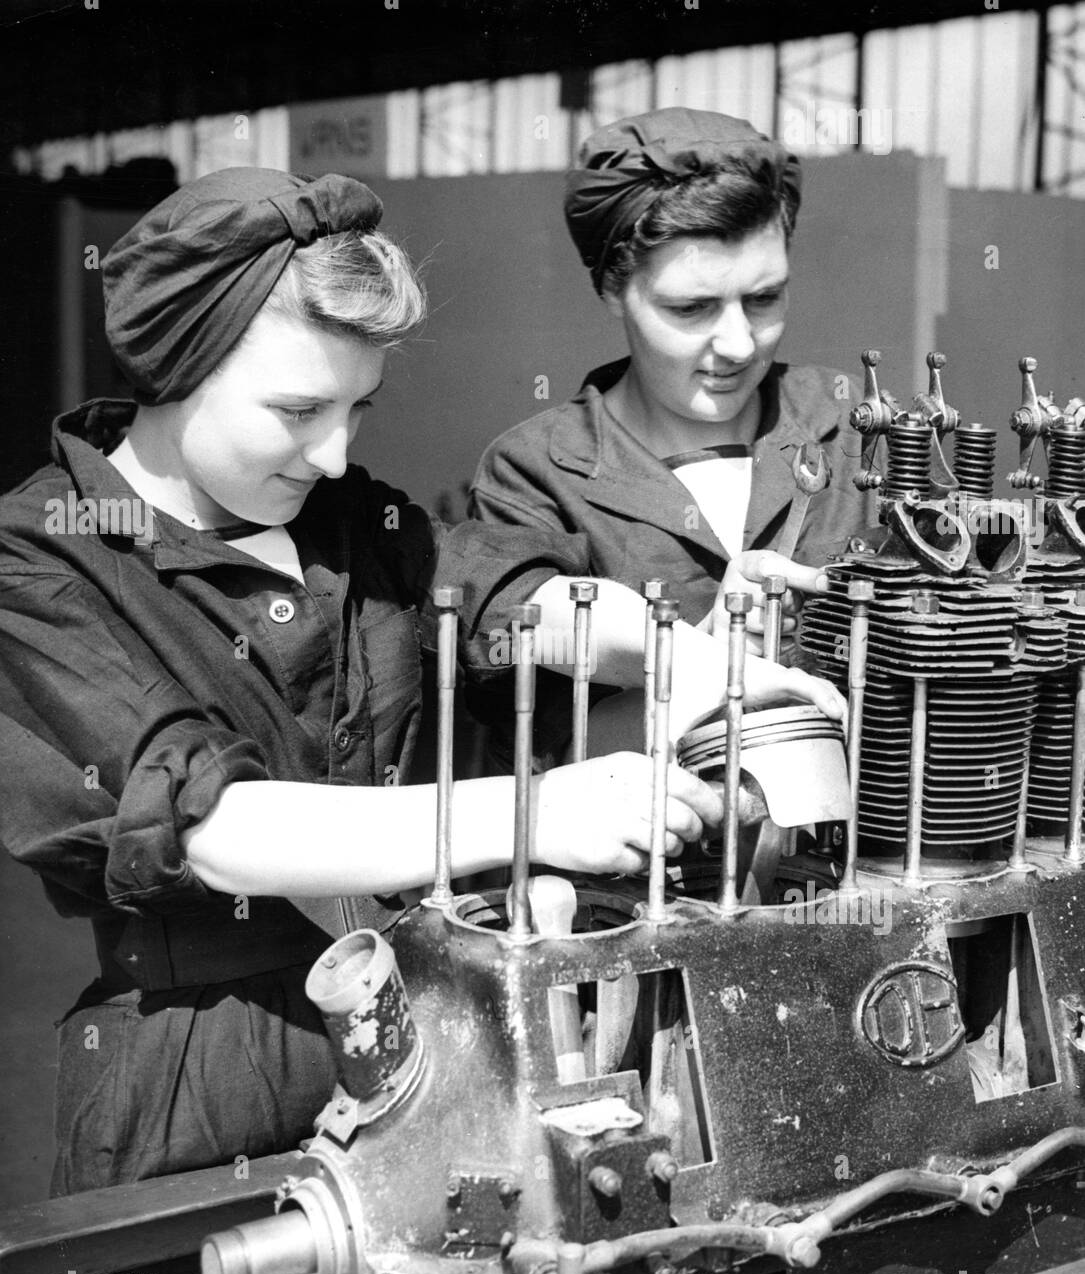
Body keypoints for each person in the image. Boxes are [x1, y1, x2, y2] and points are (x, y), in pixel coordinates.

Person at [0, 167, 844, 1196]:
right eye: (298, 408)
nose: (336, 449)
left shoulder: (349, 520)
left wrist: (699, 658)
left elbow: (513, 598)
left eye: (360, 404)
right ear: (176, 368)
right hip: (207, 1082)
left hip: (432, 1045)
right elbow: (210, 826)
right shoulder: (44, 560)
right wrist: (532, 812)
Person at [469, 107, 882, 762]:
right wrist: (696, 664)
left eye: (764, 298)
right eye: (690, 308)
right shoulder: (534, 473)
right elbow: (537, 748)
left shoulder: (853, 424)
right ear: (611, 289)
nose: (739, 343)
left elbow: (972, 550)